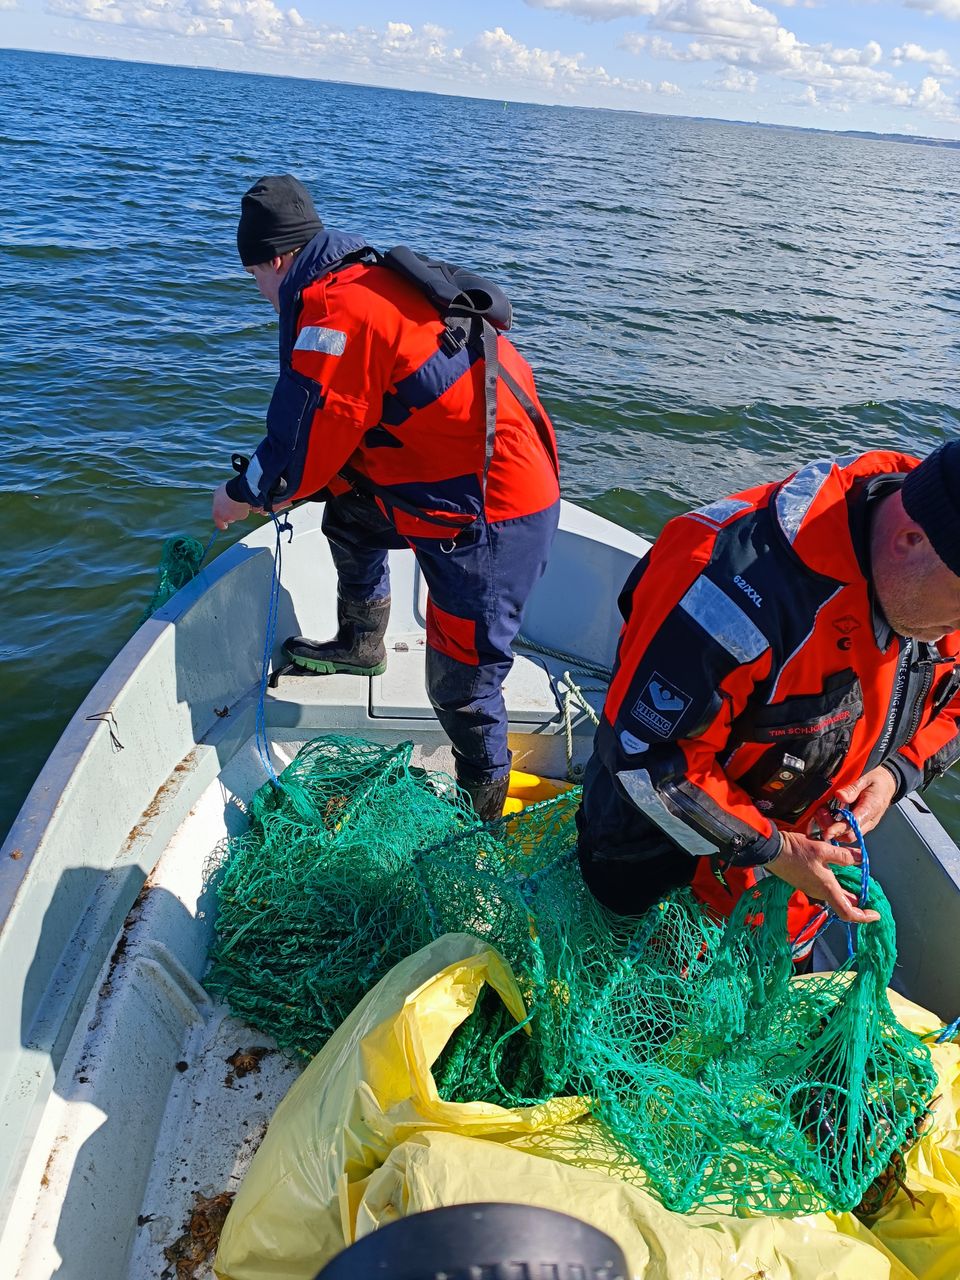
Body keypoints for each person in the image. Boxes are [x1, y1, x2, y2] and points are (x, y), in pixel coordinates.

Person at [212, 175, 560, 819]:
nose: (261, 293)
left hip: (492, 511)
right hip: (454, 475)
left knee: (461, 684)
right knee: (348, 511)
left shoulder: (332, 312)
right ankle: (362, 642)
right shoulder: (358, 273)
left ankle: (478, 817)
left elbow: (297, 441)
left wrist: (242, 495)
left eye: (255, 277)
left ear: (277, 261)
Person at [576, 444, 960, 946]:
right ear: (910, 540)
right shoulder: (722, 583)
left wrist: (893, 774)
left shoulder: (935, 577)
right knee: (632, 1000)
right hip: (656, 859)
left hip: (785, 887)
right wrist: (776, 851)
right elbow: (645, 758)